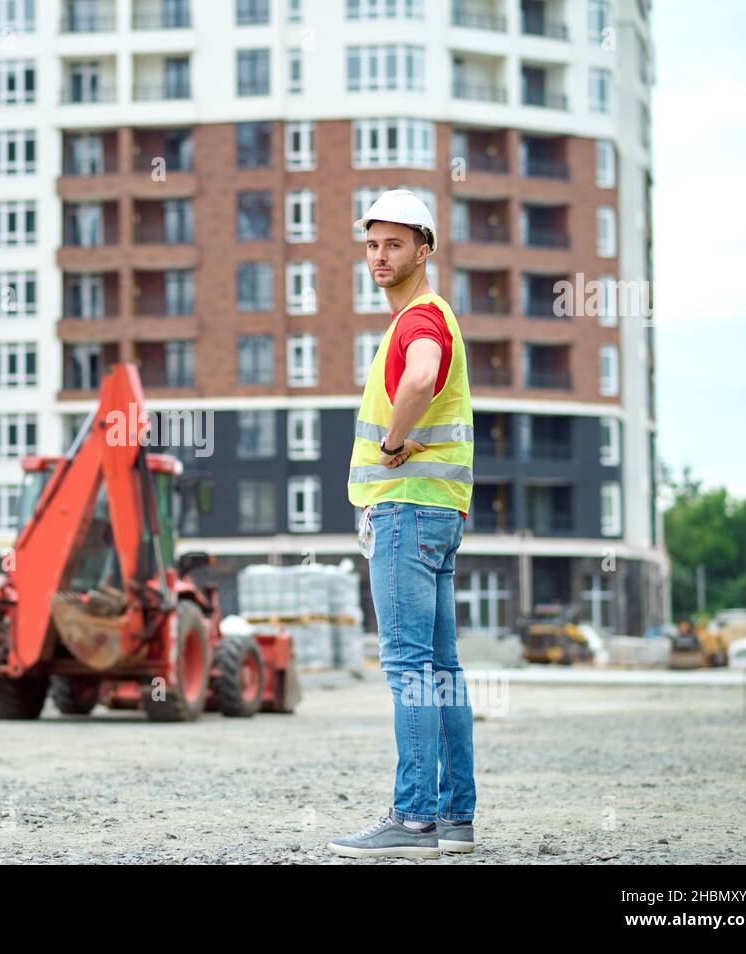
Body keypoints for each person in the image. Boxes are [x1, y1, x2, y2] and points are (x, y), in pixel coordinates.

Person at [327, 189, 477, 860]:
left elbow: (418, 381)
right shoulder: (433, 316)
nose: (381, 256)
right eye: (372, 244)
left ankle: (413, 819)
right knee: (442, 668)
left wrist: (391, 444)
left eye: (395, 244)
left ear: (425, 249)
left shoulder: (418, 321)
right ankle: (454, 820)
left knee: (409, 667)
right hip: (439, 514)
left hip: (406, 511)